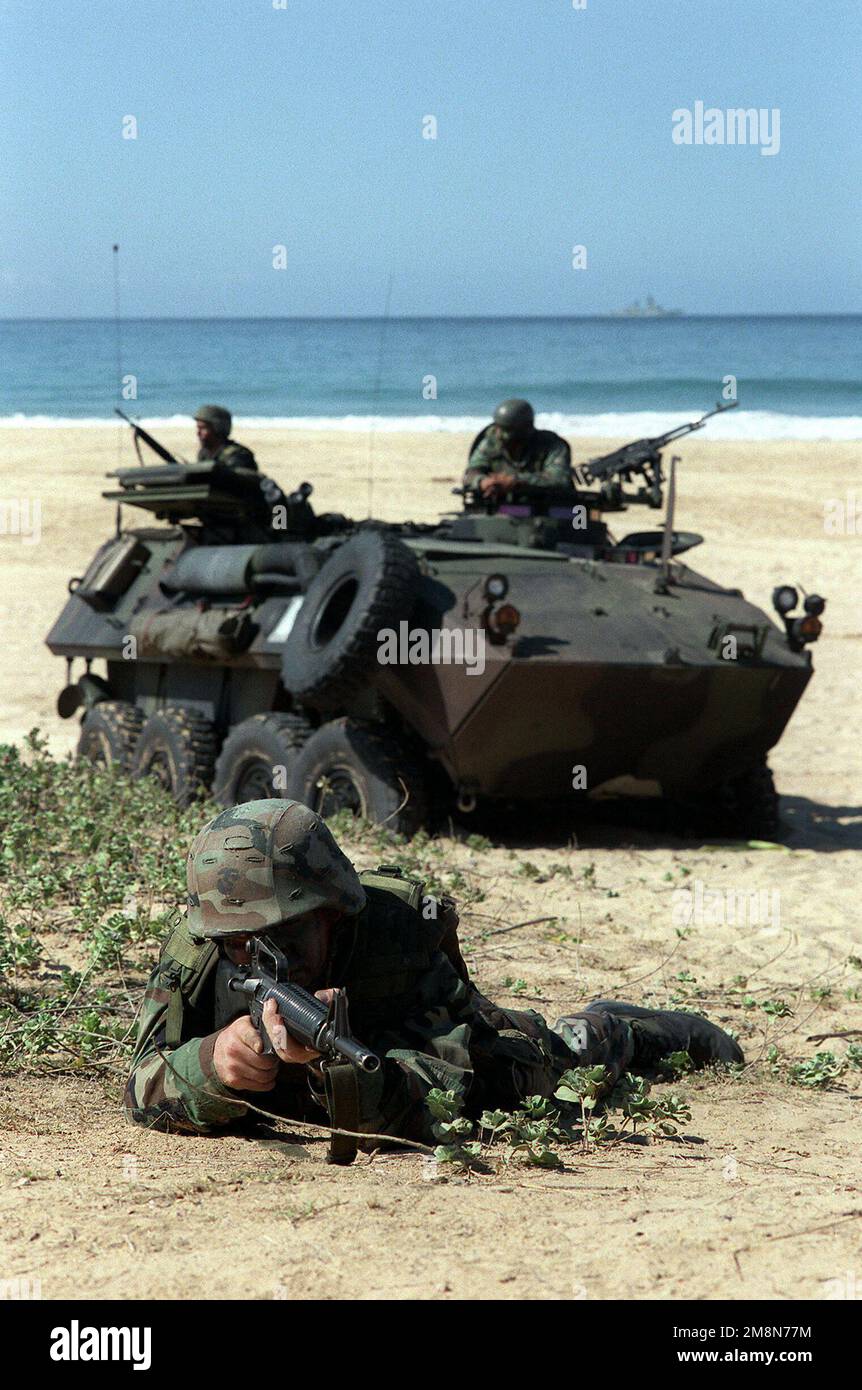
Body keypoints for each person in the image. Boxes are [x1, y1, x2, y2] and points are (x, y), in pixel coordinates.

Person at [125, 801, 743, 1147]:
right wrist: (211, 1065)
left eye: (284, 935)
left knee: (536, 1068)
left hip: (430, 1050)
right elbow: (141, 1082)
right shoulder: (204, 943)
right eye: (241, 944)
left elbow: (456, 1084)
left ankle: (620, 1031)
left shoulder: (398, 935)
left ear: (334, 912)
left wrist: (326, 1069)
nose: (259, 954)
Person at [463, 398, 574, 503]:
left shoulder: (552, 445)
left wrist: (516, 481)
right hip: (499, 508)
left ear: (526, 428)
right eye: (498, 428)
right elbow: (471, 474)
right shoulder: (490, 443)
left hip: (547, 508)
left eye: (507, 430)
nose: (499, 435)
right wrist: (483, 482)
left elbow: (559, 479)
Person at [194, 405, 258, 472]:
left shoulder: (238, 455)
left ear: (218, 429)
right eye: (198, 428)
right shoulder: (205, 454)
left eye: (203, 428)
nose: (198, 433)